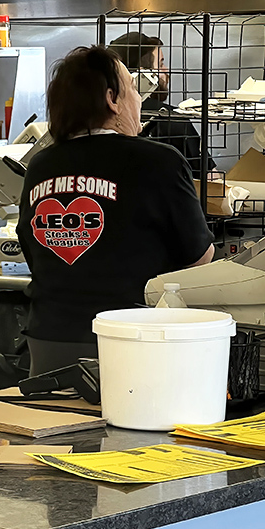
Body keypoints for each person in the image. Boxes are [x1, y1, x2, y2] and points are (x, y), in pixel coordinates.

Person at [16, 45, 214, 375]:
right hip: (131, 340)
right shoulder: (158, 161)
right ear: (112, 99)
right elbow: (199, 258)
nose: (139, 100)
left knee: (52, 419)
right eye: (134, 89)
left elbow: (32, 249)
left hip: (49, 339)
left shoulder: (40, 166)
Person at [109, 31, 216, 180]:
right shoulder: (173, 120)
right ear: (144, 75)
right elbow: (213, 183)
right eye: (160, 64)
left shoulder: (101, 119)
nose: (166, 70)